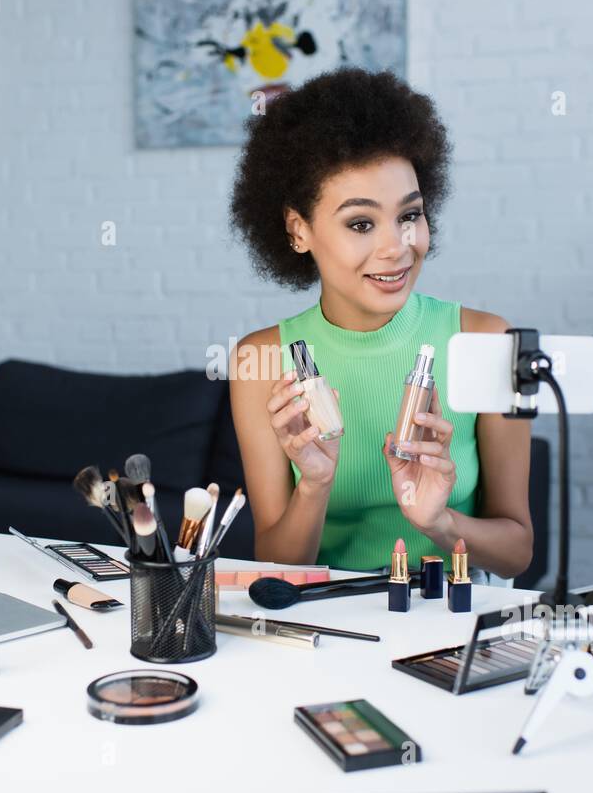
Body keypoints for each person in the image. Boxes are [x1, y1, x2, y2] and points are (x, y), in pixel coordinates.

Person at [227, 67, 532, 580]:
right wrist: (315, 484)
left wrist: (438, 521)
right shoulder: (262, 362)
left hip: (450, 612)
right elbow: (276, 567)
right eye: (361, 223)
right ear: (299, 230)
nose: (397, 247)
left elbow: (516, 553)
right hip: (329, 625)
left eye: (409, 215)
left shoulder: (485, 341)